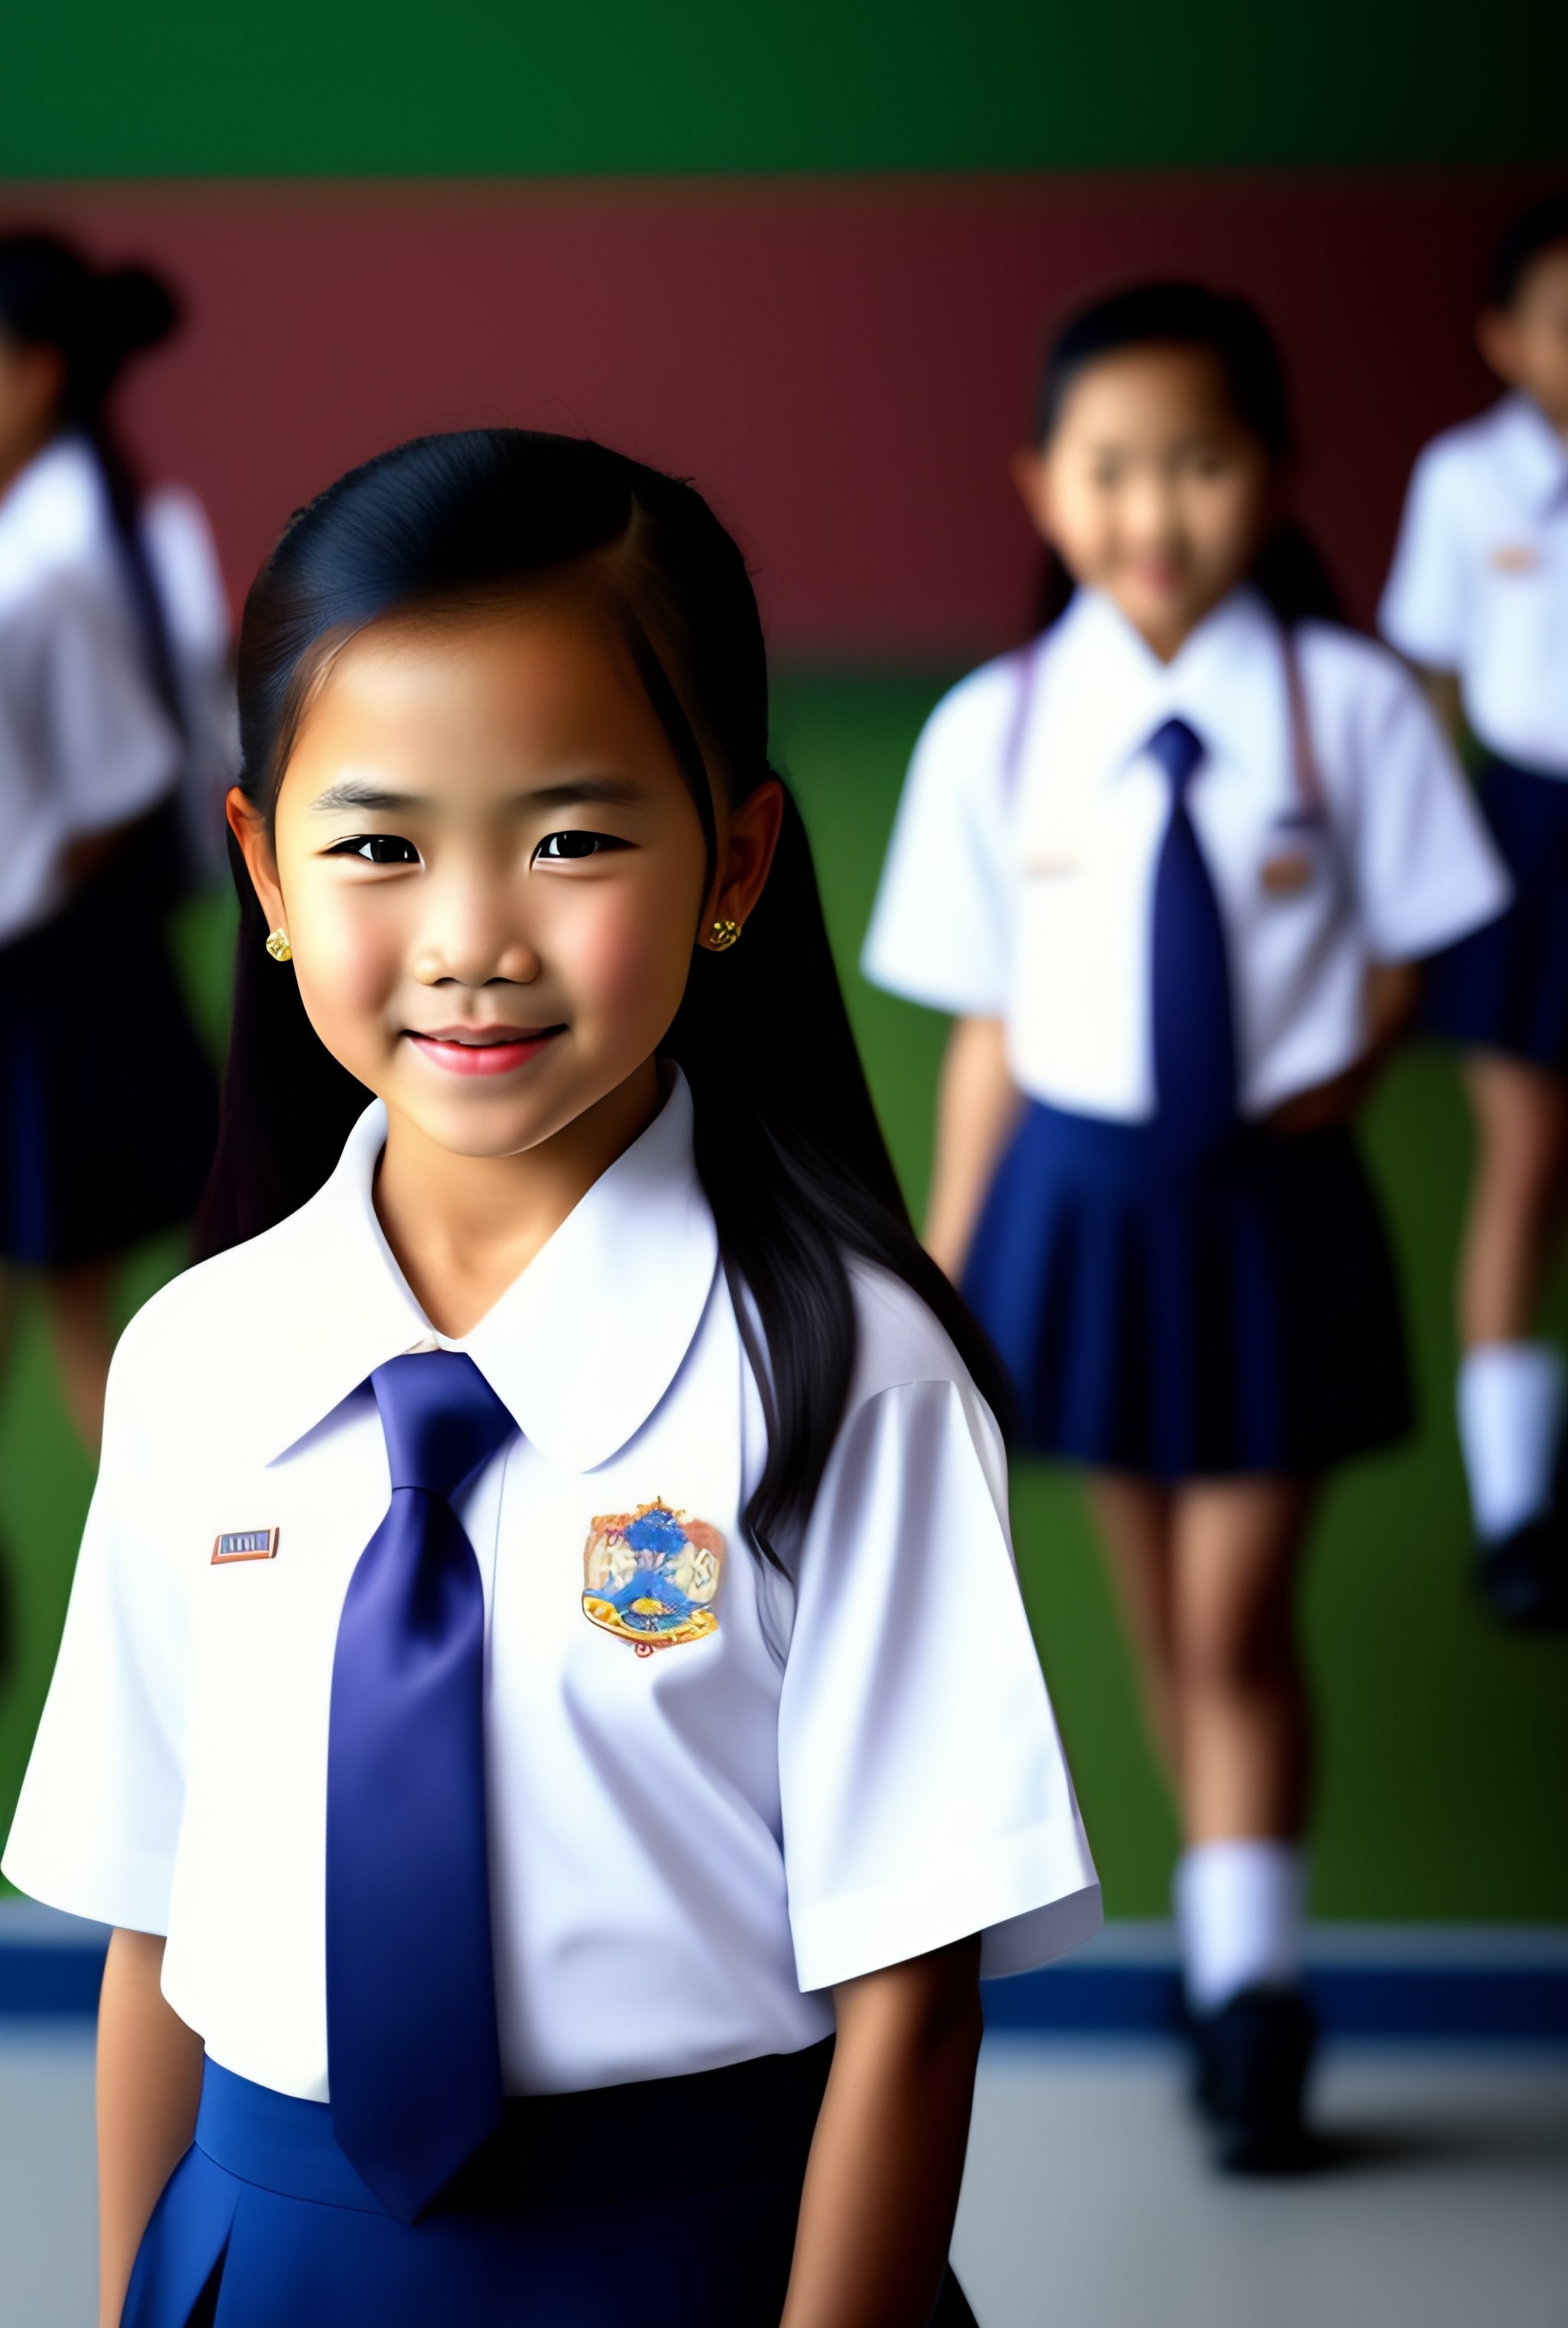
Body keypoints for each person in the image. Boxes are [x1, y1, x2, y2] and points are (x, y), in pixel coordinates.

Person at [3, 429, 1101, 2328]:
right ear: (261, 868)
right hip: (265, 2261)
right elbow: (148, 1936)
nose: (471, 940)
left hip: (690, 2259)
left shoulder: (849, 1372)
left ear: (733, 857)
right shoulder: (197, 1363)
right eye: (377, 845)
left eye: (573, 836)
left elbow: (910, 2004)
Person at [863, 283, 1508, 2173]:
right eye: (1111, 469)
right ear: (1042, 490)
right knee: (1157, 1612)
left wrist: (1356, 1064)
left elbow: (1423, 933)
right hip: (1072, 1205)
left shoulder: (1355, 702)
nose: (1156, 508)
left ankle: (1255, 1995)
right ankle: (1229, 1962)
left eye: (1202, 463)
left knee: (1231, 1618)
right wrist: (946, 1269)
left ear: (1283, 479)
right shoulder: (996, 726)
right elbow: (983, 1032)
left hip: (1267, 1211)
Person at [0, 231, 227, 1460]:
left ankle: (182, 1613)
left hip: (52, 978)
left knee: (85, 1318)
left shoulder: (45, 560)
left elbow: (126, 781)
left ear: (37, 370)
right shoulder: (120, 520)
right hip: (81, 961)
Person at [1379, 192, 1568, 1630]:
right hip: (1527, 830)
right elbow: (1430, 677)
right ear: (1504, 340)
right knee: (1526, 1156)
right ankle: (1518, 1510)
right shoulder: (1464, 480)